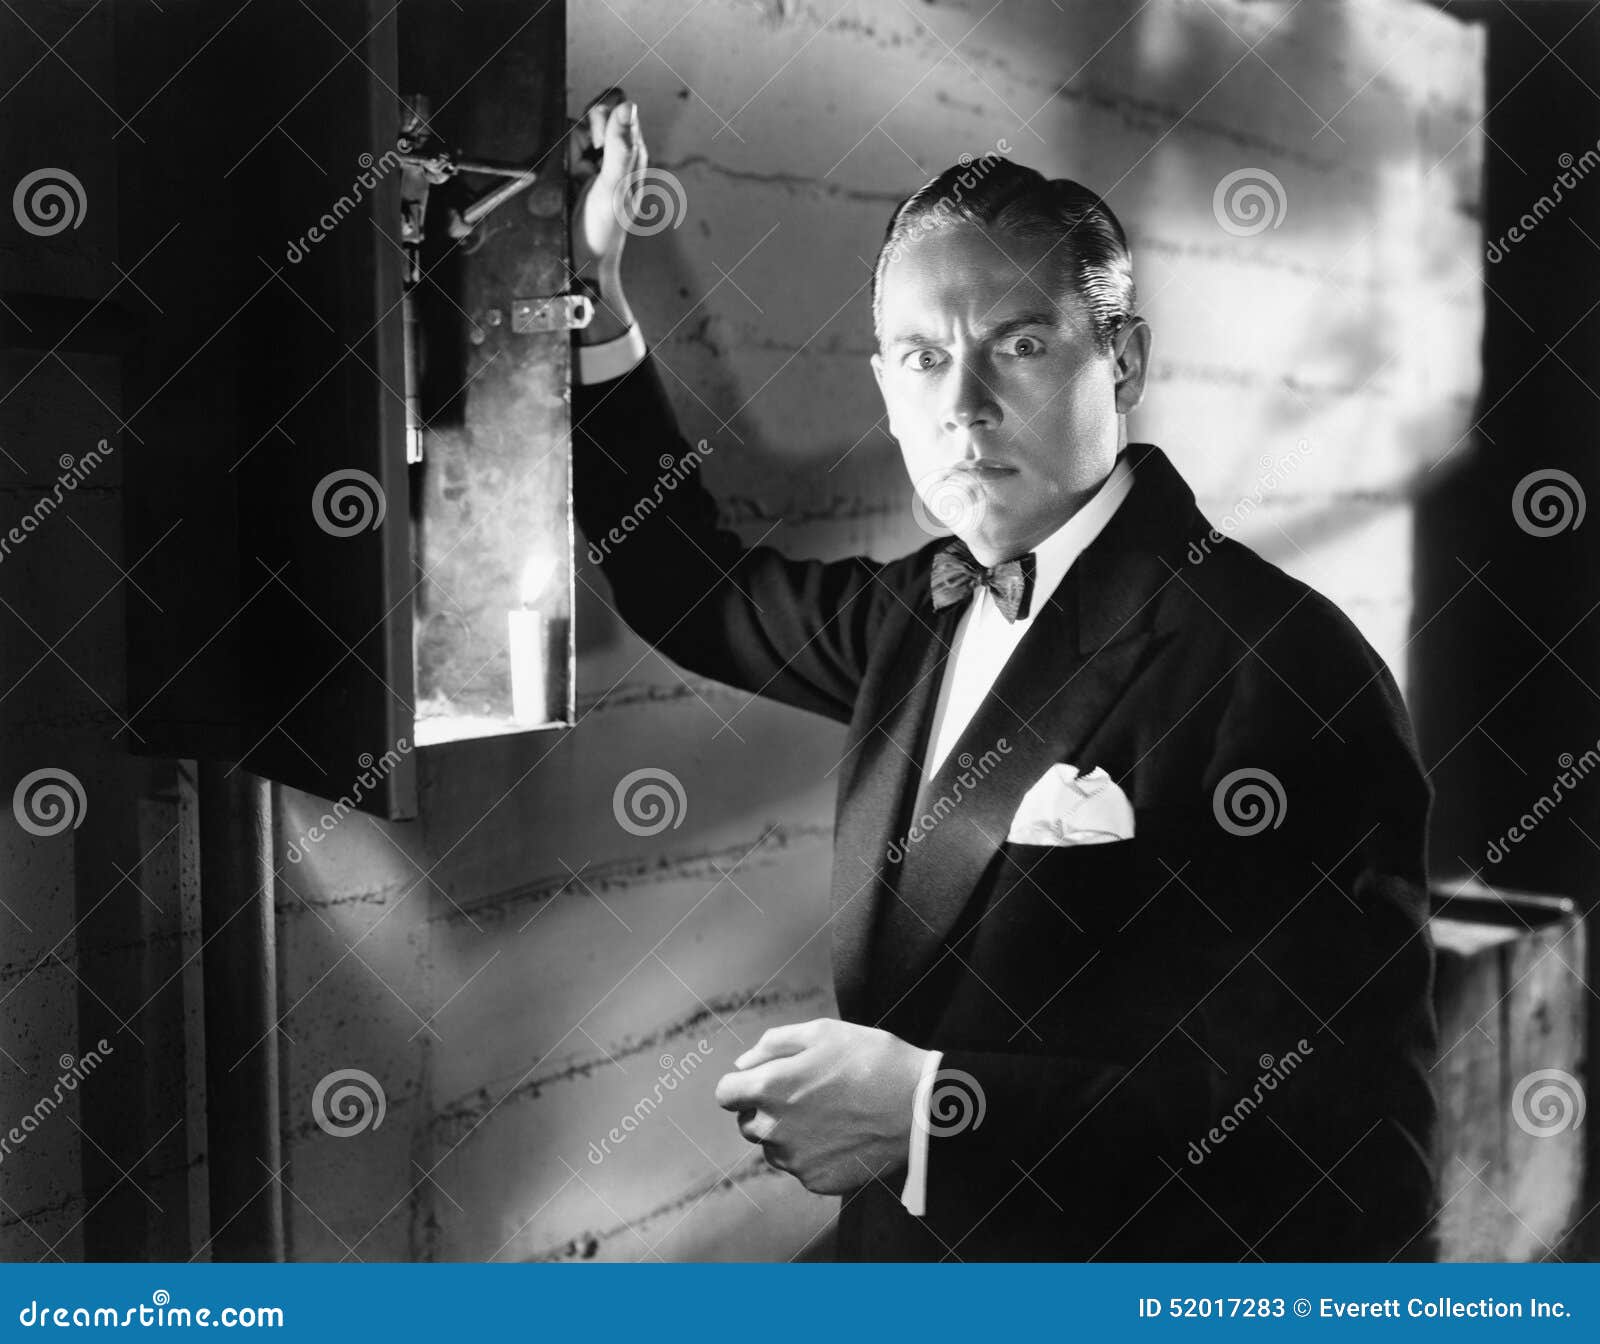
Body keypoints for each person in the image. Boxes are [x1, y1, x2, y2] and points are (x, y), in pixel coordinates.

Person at [567, 94, 1440, 1262]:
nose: (963, 408)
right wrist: (592, 296)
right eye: (924, 361)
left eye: (1019, 346)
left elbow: (1350, 1152)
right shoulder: (918, 610)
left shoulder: (1282, 667)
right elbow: (700, 596)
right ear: (886, 386)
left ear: (1120, 359)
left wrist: (936, 1113)